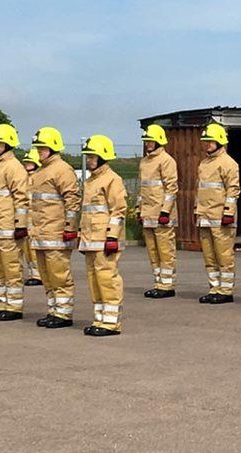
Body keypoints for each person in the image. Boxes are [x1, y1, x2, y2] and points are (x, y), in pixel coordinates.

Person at [28, 126, 81, 329]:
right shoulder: (41, 171)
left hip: (57, 233)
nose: (39, 151)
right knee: (47, 276)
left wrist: (70, 226)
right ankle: (53, 310)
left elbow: (72, 200)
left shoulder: (62, 169)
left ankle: (64, 314)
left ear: (53, 148)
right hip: (41, 233)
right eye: (38, 148)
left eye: (42, 148)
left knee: (59, 275)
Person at [78, 135, 127, 337]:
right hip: (91, 240)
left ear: (102, 156)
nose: (88, 160)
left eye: (92, 156)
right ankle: (100, 319)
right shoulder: (91, 181)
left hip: (104, 241)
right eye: (88, 156)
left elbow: (119, 210)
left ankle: (111, 323)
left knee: (107, 280)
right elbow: (87, 211)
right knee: (94, 281)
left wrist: (112, 238)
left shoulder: (112, 180)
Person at [0, 124, 29, 322]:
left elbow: (22, 198)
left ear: (8, 144)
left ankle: (14, 307)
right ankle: (3, 303)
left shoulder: (14, 167)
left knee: (11, 268)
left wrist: (20, 225)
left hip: (8, 226)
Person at [194, 123, 240, 304]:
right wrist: (196, 210)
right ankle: (214, 288)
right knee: (209, 255)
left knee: (224, 256)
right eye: (205, 141)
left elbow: (233, 190)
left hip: (221, 218)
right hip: (204, 216)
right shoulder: (204, 164)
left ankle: (226, 290)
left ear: (220, 141)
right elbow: (200, 189)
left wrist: (228, 213)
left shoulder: (229, 163)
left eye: (210, 141)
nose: (207, 144)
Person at [137, 124, 179, 298]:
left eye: (150, 141)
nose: (148, 144)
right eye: (146, 141)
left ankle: (167, 286)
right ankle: (158, 282)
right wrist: (139, 210)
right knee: (153, 251)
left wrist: (165, 212)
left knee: (165, 251)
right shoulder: (144, 162)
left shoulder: (166, 160)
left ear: (159, 141)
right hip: (147, 213)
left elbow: (171, 188)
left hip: (162, 215)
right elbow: (142, 189)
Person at [21, 148, 43, 286]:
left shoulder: (38, 178)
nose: (27, 164)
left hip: (35, 218)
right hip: (25, 217)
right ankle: (32, 273)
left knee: (35, 248)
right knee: (27, 248)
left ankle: (38, 275)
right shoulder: (24, 178)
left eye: (30, 162)